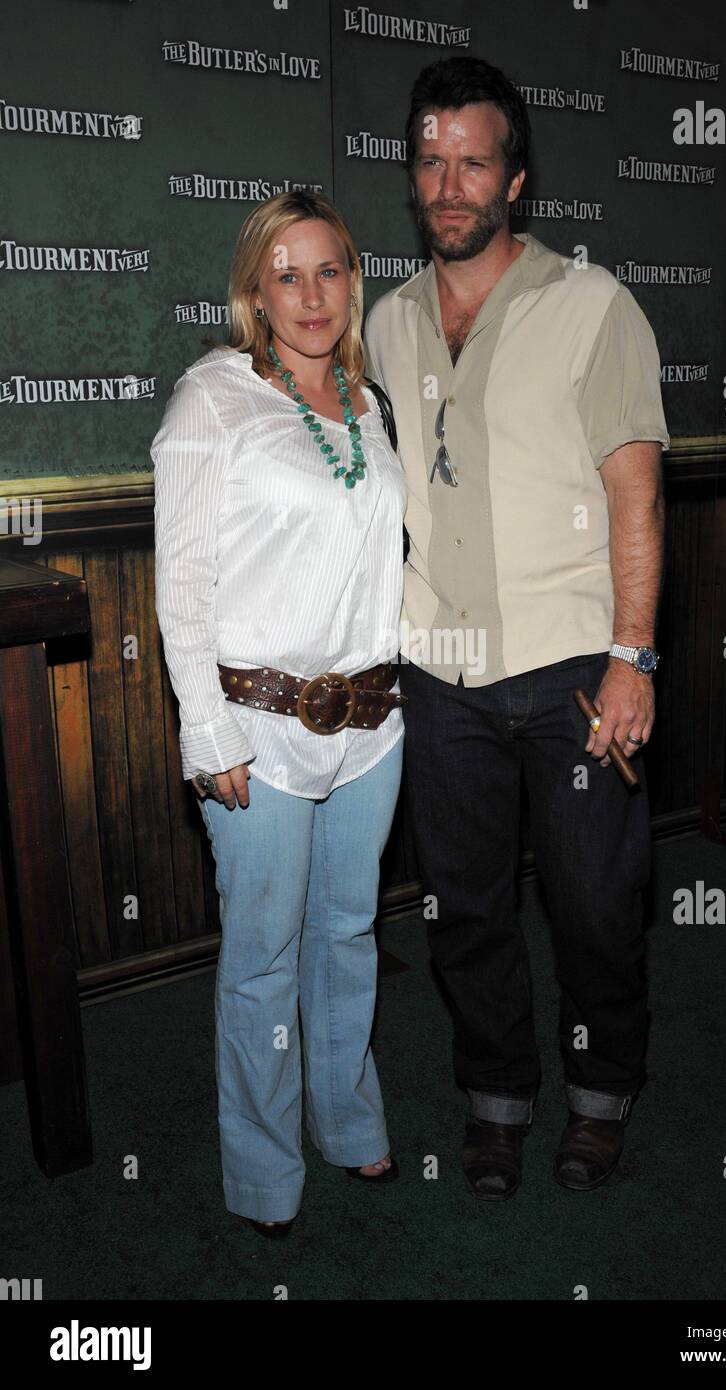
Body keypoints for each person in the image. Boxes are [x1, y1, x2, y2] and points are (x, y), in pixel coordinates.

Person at [363, 56, 670, 1200]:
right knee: (466, 908)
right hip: (438, 675)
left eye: (473, 162)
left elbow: (635, 491)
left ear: (516, 180)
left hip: (577, 668)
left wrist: (634, 657)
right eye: (431, 161)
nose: (450, 183)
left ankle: (599, 1099)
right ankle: (495, 1100)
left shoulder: (593, 305)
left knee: (593, 904)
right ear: (414, 176)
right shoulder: (385, 321)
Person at [151, 190, 407, 1237]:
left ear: (354, 279)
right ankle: (263, 1173)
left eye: (331, 269)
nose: (311, 294)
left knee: (347, 936)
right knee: (261, 955)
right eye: (287, 273)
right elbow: (184, 582)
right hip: (254, 730)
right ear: (254, 287)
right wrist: (205, 731)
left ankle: (346, 1121)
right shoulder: (212, 397)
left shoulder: (369, 400)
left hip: (374, 726)